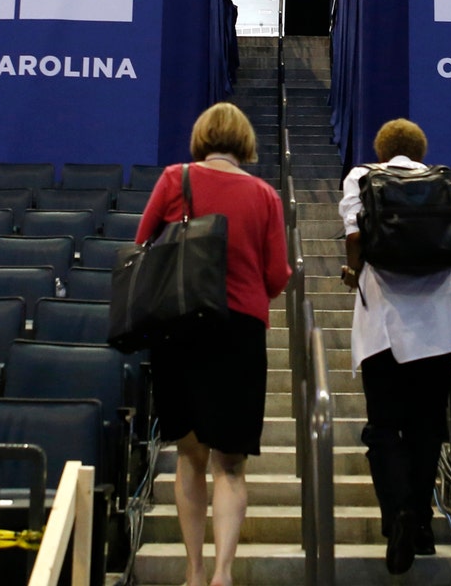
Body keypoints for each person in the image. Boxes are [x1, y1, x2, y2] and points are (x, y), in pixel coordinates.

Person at [137, 102, 290, 586]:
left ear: (201, 137)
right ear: (245, 141)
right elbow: (276, 277)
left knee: (189, 457)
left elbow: (142, 249)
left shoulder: (174, 179)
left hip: (179, 328)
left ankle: (194, 571)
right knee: (231, 464)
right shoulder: (265, 195)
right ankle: (224, 573)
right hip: (239, 332)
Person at [339, 118, 451, 573]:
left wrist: (353, 273)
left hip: (385, 322)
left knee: (383, 427)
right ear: (421, 150)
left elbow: (355, 236)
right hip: (440, 321)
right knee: (427, 427)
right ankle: (420, 523)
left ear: (381, 150)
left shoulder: (363, 177)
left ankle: (396, 511)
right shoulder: (443, 182)